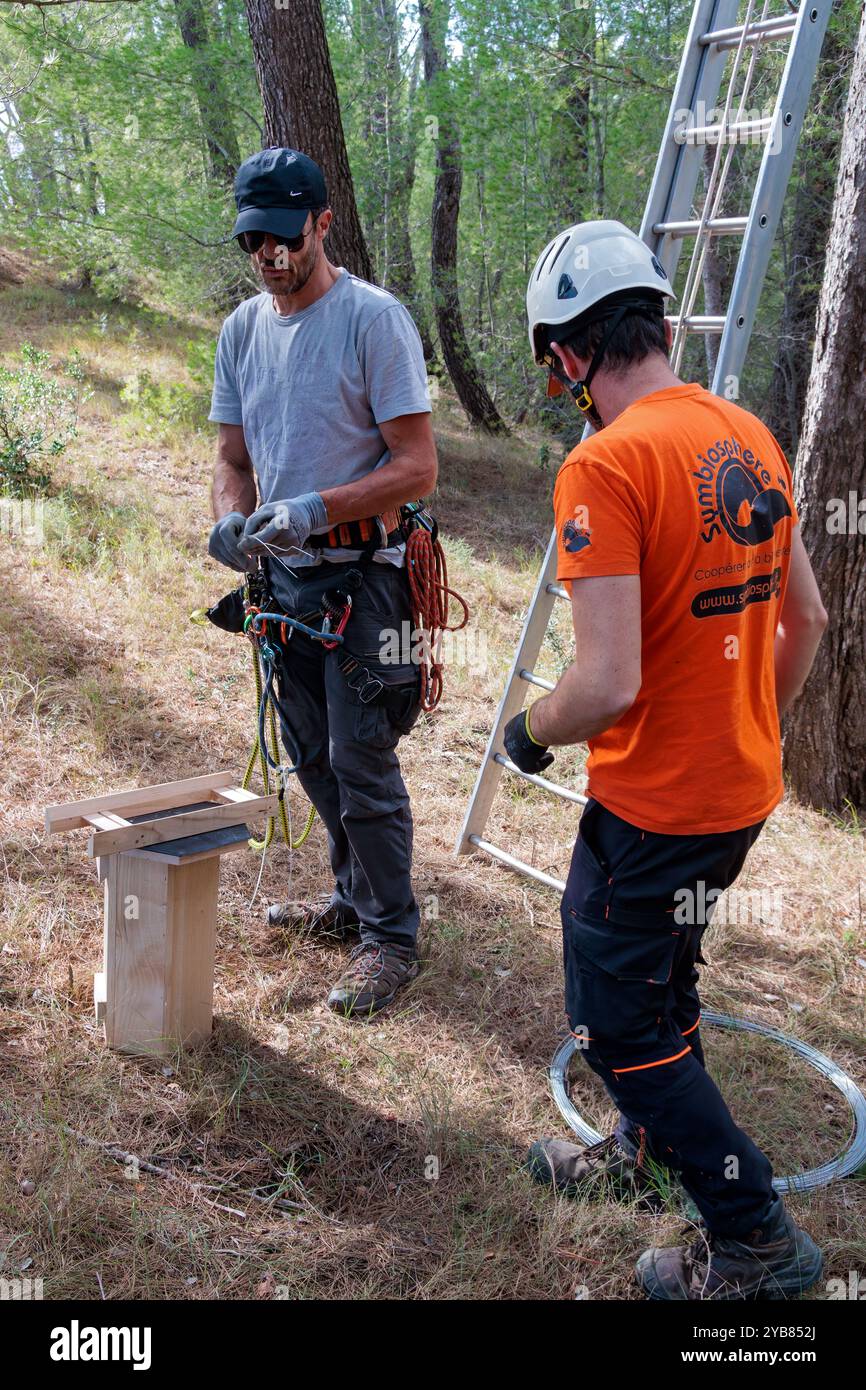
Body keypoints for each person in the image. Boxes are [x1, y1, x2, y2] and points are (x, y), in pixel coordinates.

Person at [505, 219, 828, 1300]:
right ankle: (647, 1150)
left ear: (567, 356)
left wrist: (529, 728)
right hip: (735, 793)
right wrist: (748, 727)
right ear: (664, 325)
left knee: (615, 1020)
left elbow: (604, 685)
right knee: (665, 974)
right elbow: (808, 623)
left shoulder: (602, 465)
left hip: (652, 808)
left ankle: (754, 1238)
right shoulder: (750, 437)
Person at [207, 147, 437, 1018]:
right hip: (282, 590)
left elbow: (418, 467)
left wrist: (316, 506)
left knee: (361, 758)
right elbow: (231, 458)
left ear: (323, 224)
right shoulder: (241, 332)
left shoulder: (373, 321)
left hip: (366, 581)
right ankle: (352, 903)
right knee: (312, 757)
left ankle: (391, 939)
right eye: (252, 241)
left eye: (283, 237)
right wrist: (237, 518)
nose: (269, 256)